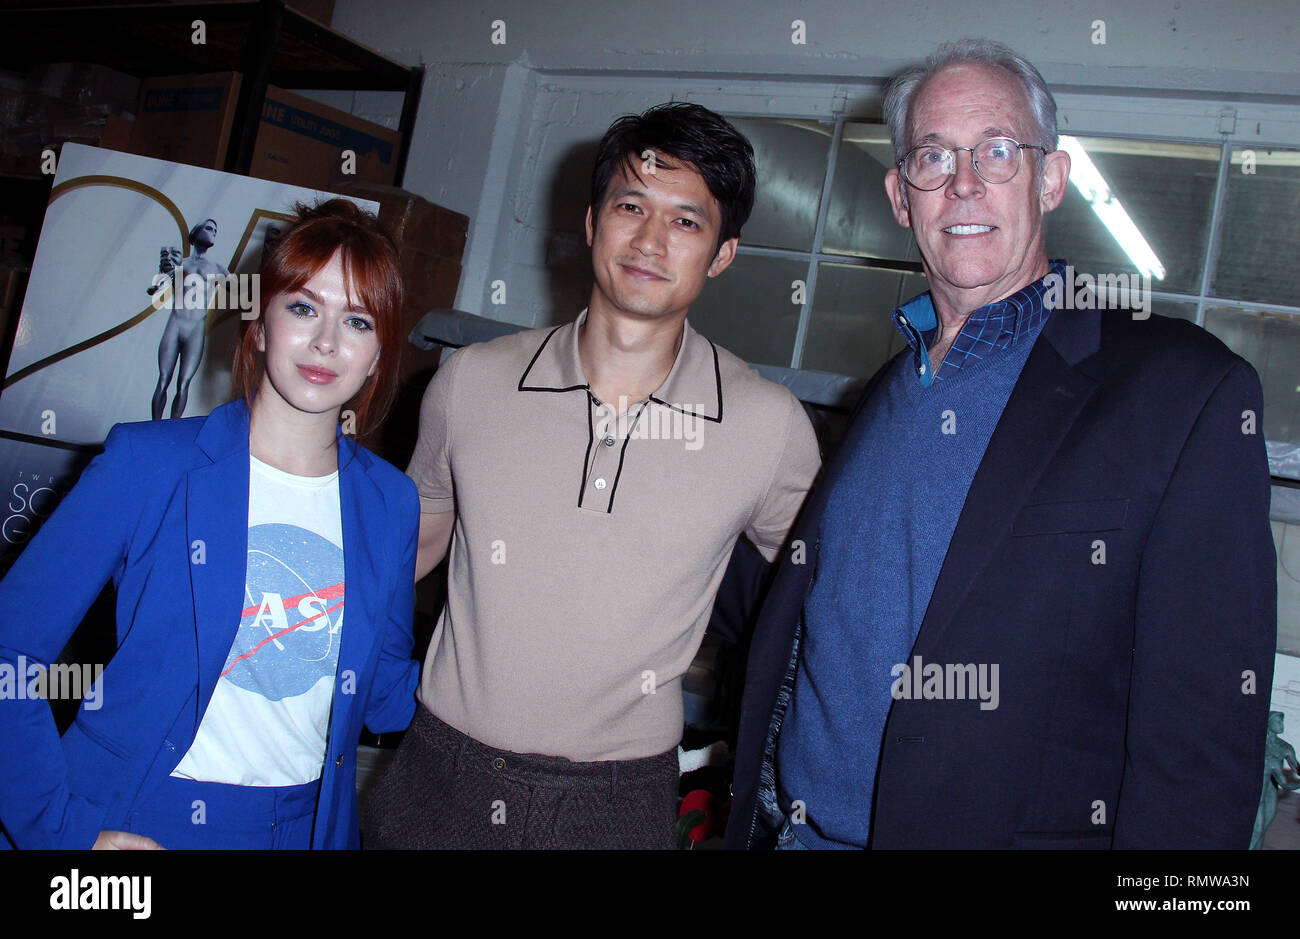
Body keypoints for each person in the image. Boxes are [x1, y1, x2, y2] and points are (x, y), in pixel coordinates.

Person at [728, 38, 1277, 850]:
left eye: (996, 150)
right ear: (900, 196)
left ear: (1050, 179)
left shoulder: (1181, 391)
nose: (964, 183)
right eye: (933, 157)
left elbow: (1201, 746)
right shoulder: (883, 392)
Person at [363, 102, 821, 850]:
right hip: (438, 775)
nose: (649, 240)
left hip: (616, 804)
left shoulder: (767, 427)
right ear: (589, 222)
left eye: (686, 221)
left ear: (723, 253)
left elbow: (827, 600)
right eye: (631, 206)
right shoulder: (469, 381)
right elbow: (410, 544)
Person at [0, 199, 420, 850]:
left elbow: (387, 693)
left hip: (307, 829)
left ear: (377, 356)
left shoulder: (389, 501)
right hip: (139, 815)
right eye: (303, 307)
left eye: (358, 321)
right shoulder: (148, 463)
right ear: (257, 326)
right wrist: (66, 834)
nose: (326, 341)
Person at [151, 217, 230, 420]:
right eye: (208, 227)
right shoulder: (182, 264)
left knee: (183, 383)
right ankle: (154, 426)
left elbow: (243, 292)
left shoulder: (218, 268)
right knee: (163, 380)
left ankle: (173, 427)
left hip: (196, 328)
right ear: (196, 233)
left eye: (215, 229)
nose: (212, 231)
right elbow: (159, 285)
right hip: (176, 323)